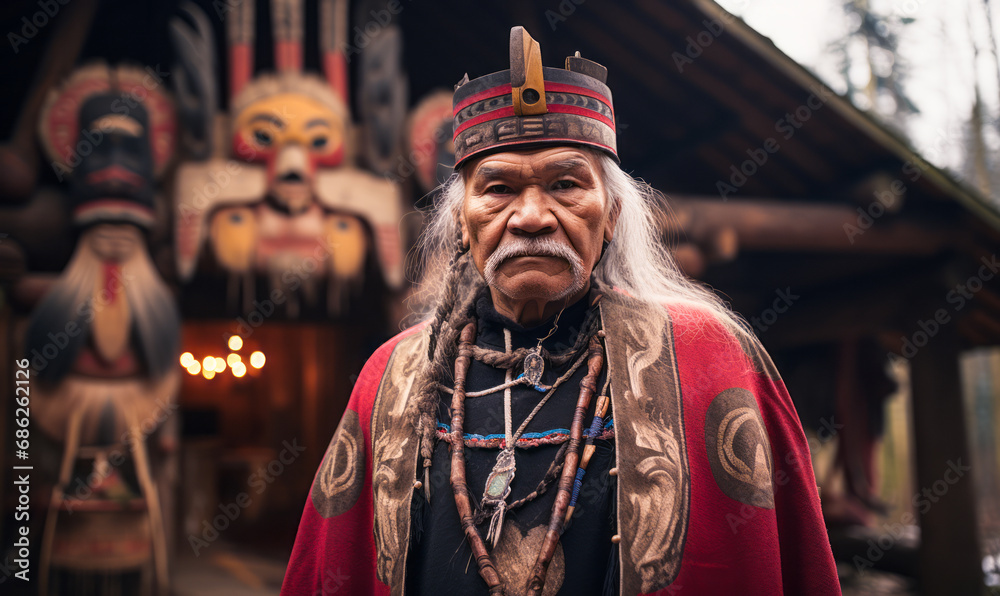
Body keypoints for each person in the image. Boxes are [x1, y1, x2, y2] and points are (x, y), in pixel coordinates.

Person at [281, 26, 841, 596]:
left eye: (566, 183)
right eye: (497, 188)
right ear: (461, 222)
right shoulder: (392, 375)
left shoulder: (710, 357)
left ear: (613, 215)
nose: (530, 216)